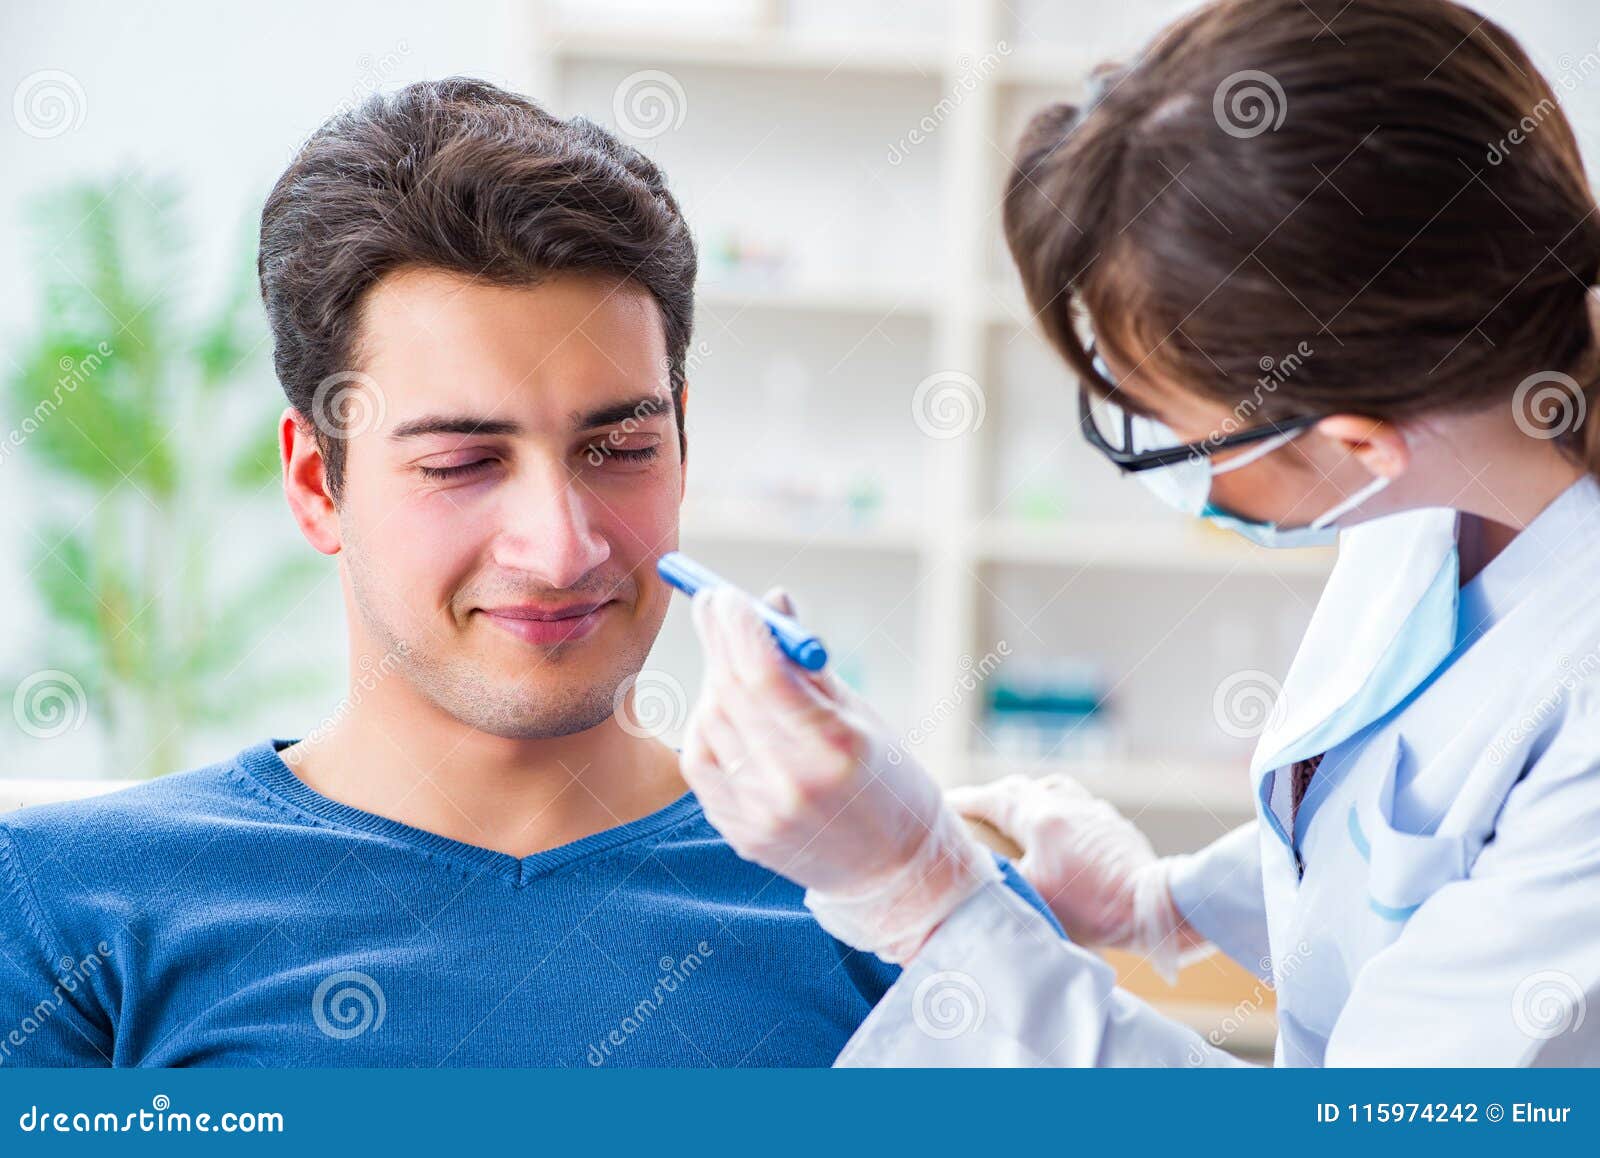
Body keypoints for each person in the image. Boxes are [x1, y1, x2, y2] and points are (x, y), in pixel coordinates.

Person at [0, 79, 1056, 1068]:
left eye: (618, 450)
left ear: (682, 443)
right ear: (320, 483)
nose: (561, 548)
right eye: (462, 462)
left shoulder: (902, 908)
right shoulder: (67, 910)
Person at [680, 0, 1600, 1065]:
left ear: (1354, 444)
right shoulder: (1444, 468)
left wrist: (926, 907)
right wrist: (1165, 905)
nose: (1154, 437)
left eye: (1166, 415)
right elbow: (1407, 847)